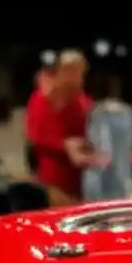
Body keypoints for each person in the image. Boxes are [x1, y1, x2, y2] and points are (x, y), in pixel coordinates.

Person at [26, 50, 106, 205]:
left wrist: (92, 146)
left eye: (79, 73)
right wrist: (64, 145)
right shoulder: (41, 99)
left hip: (84, 182)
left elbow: (92, 131)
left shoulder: (83, 101)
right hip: (55, 184)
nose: (75, 79)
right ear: (59, 73)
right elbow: (35, 136)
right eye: (70, 73)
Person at [82, 73, 132, 201]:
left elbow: (100, 144)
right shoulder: (126, 112)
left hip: (102, 178)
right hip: (124, 175)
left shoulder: (97, 112)